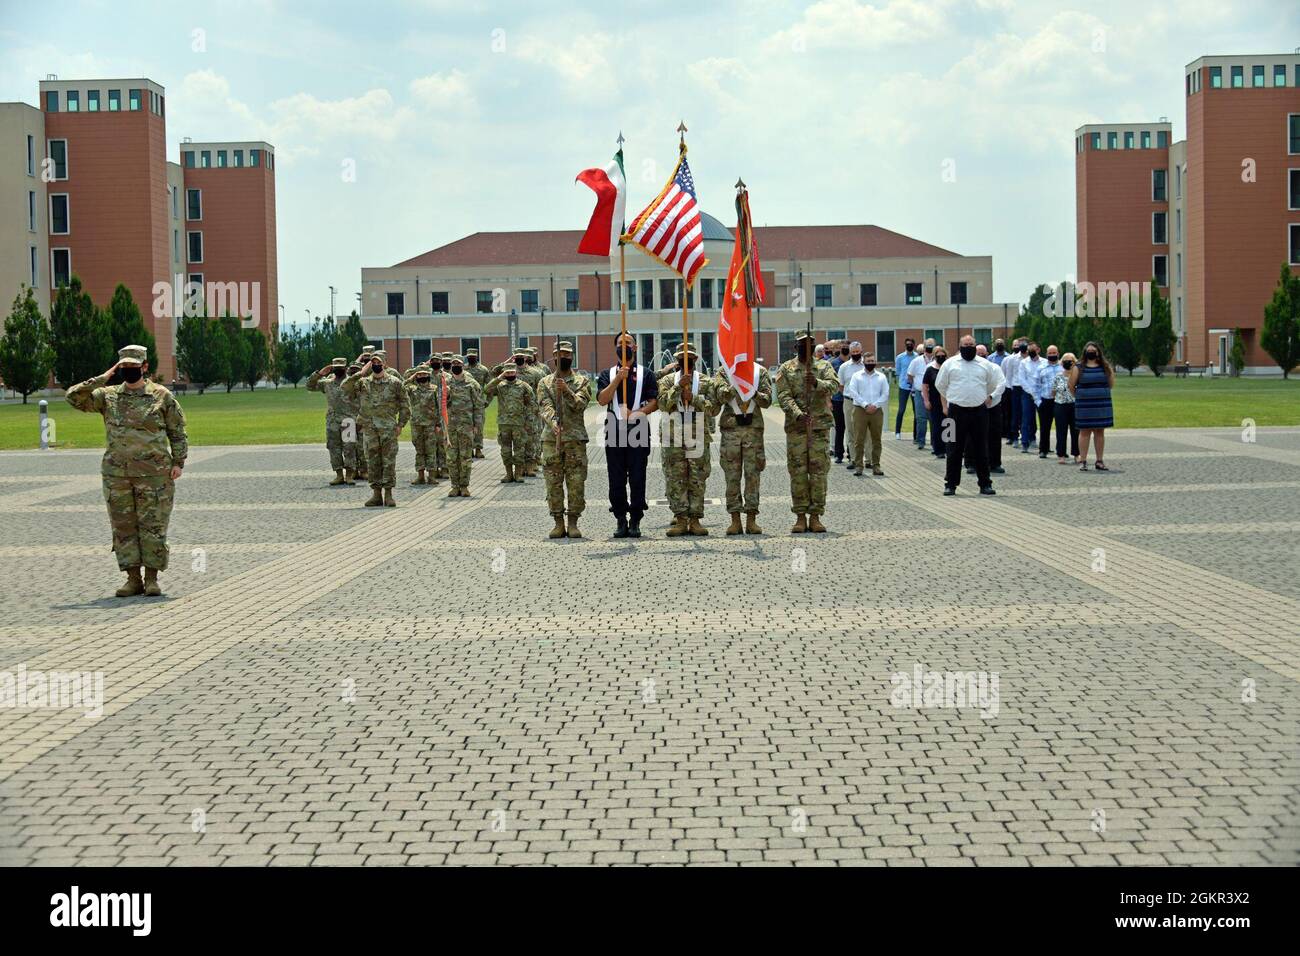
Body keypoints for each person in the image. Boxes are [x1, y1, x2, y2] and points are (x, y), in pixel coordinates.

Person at [66, 344, 188, 597]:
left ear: (145, 367)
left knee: (153, 525)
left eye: (134, 367)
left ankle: (152, 579)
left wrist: (178, 462)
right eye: (125, 368)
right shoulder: (107, 396)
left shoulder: (161, 396)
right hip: (117, 474)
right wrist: (101, 378)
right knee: (123, 528)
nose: (129, 371)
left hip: (155, 474)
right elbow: (73, 397)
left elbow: (177, 431)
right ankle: (133, 579)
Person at [777, 330, 840, 533]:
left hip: (819, 428)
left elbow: (834, 386)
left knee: (819, 472)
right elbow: (784, 396)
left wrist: (816, 382)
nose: (808, 349)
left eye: (811, 345)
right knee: (798, 472)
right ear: (796, 348)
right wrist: (797, 414)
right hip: (797, 429)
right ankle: (800, 516)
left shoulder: (823, 366)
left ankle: (816, 515)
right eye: (803, 345)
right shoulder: (787, 368)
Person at [597, 332, 659, 538]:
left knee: (637, 476)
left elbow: (654, 401)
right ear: (614, 347)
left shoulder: (646, 373)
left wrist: (638, 413)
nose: (624, 346)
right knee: (616, 477)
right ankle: (620, 518)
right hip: (614, 428)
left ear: (636, 347)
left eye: (628, 343)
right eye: (620, 343)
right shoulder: (607, 374)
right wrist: (617, 380)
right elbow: (602, 399)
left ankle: (636, 519)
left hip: (638, 428)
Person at [935, 335, 1004, 497]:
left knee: (981, 448)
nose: (969, 347)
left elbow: (997, 383)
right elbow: (940, 385)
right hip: (955, 413)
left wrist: (990, 397)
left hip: (979, 412)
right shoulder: (949, 363)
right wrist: (952, 400)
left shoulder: (985, 365)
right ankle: (950, 484)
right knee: (952, 448)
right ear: (960, 346)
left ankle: (985, 484)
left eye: (971, 344)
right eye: (965, 344)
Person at [659, 343, 716, 536]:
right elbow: (662, 404)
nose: (686, 361)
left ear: (695, 360)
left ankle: (695, 519)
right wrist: (677, 387)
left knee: (697, 477)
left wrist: (693, 398)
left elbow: (713, 408)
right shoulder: (668, 380)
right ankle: (680, 519)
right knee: (675, 478)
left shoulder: (705, 381)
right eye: (682, 358)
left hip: (697, 431)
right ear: (676, 360)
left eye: (689, 358)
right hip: (672, 433)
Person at [537, 341, 593, 538]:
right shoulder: (544, 383)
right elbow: (544, 405)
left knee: (576, 482)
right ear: (554, 358)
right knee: (553, 483)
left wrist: (566, 391)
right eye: (560, 355)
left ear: (573, 357)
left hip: (575, 441)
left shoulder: (582, 381)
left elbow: (580, 405)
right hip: (552, 440)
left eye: (568, 355)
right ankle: (558, 522)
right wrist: (554, 423)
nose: (564, 358)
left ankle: (573, 522)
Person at [342, 350, 410, 507]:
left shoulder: (395, 383)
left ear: (385, 364)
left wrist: (401, 424)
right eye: (373, 363)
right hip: (370, 429)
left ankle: (389, 494)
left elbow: (405, 405)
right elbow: (345, 387)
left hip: (388, 429)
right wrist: (360, 373)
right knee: (372, 462)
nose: (377, 365)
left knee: (388, 462)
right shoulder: (363, 383)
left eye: (379, 362)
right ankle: (376, 494)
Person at [714, 357, 773, 535]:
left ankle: (751, 519)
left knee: (752, 475)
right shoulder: (724, 371)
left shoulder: (759, 372)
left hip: (753, 430)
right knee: (732, 477)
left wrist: (752, 391)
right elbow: (720, 396)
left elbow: (768, 400)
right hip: (731, 431)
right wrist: (737, 383)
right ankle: (735, 520)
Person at [306, 357, 358, 485]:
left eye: (340, 368)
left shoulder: (352, 382)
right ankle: (339, 475)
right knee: (334, 448)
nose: (338, 370)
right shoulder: (327, 383)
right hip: (332, 421)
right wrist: (318, 374)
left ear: (345, 368)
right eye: (336, 368)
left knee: (349, 448)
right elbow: (309, 386)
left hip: (348, 420)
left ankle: (350, 475)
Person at [484, 359, 536, 482]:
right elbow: (486, 389)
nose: (510, 375)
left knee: (519, 450)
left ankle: (517, 474)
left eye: (512, 372)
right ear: (504, 374)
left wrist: (529, 421)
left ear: (516, 372)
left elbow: (531, 403)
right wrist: (499, 378)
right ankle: (508, 474)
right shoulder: (500, 386)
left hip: (519, 423)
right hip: (504, 424)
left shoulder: (524, 386)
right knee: (505, 451)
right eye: (507, 373)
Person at [1070, 340, 1115, 471]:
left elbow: (1111, 384)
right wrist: (1080, 397)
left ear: (1098, 353)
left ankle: (1099, 461)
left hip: (1101, 404)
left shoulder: (1105, 367)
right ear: (1085, 353)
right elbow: (1071, 386)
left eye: (1093, 351)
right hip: (1084, 405)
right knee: (1084, 432)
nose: (1091, 353)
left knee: (1100, 432)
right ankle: (1083, 461)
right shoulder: (1078, 367)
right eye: (1089, 351)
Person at [442, 355, 482, 497]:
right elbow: (441, 405)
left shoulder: (472, 384)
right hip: (451, 426)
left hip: (466, 426)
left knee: (465, 458)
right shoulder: (445, 383)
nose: (456, 366)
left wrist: (477, 425)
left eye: (458, 363)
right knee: (452, 458)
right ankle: (454, 486)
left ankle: (464, 486)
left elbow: (478, 406)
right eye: (453, 364)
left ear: (463, 365)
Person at [845, 351, 888, 477]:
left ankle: (876, 465)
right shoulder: (857, 376)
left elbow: (885, 393)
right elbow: (853, 392)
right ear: (863, 362)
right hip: (860, 410)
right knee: (859, 439)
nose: (871, 363)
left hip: (876, 410)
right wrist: (865, 405)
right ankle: (859, 466)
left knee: (876, 439)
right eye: (868, 361)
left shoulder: (881, 377)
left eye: (872, 361)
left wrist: (875, 405)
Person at [965, 345, 1005, 475]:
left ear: (988, 354)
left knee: (994, 435)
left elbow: (1001, 384)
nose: (981, 355)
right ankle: (971, 463)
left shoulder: (995, 368)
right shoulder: (968, 369)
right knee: (972, 435)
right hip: (974, 406)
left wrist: (991, 396)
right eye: (978, 353)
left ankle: (995, 463)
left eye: (983, 353)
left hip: (993, 405)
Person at [404, 364, 443, 486]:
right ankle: (420, 476)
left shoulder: (435, 389)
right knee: (419, 450)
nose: (422, 376)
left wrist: (438, 424)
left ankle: (431, 476)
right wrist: (412, 377)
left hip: (430, 424)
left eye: (424, 374)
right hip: (416, 424)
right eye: (419, 375)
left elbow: (439, 407)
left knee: (431, 450)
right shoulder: (412, 389)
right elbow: (400, 387)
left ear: (428, 375)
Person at [1029, 344, 1061, 458]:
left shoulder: (1062, 367)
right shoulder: (1041, 367)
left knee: (1061, 427)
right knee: (1044, 427)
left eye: (1054, 353)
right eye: (1050, 353)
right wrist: (1038, 402)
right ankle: (1043, 450)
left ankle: (1061, 450)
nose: (1052, 355)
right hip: (1045, 401)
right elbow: (1035, 386)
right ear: (1046, 354)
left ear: (1058, 353)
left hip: (1060, 401)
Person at [837, 342, 864, 468]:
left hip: (864, 402)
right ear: (850, 352)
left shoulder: (866, 365)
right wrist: (849, 396)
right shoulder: (844, 367)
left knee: (866, 432)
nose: (856, 354)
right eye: (853, 352)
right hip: (849, 401)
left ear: (861, 351)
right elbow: (840, 386)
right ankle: (853, 459)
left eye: (858, 352)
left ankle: (868, 459)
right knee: (850, 431)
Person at [1017, 342, 1046, 453]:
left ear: (1038, 350)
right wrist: (1032, 392)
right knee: (1026, 419)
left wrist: (1039, 393)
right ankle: (1025, 443)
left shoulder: (1044, 362)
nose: (1031, 352)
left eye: (1033, 350)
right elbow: (1022, 379)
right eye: (1029, 350)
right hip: (1027, 394)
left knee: (1044, 419)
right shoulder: (1023, 363)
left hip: (1042, 394)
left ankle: (1044, 446)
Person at [1053, 352, 1081, 464]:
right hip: (1060, 406)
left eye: (1070, 361)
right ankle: (1061, 454)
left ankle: (1077, 454)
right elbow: (1053, 392)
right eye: (1065, 360)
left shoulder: (1079, 376)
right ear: (1061, 362)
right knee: (1061, 431)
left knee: (1076, 431)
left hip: (1074, 406)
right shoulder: (1058, 376)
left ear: (1075, 363)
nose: (1067, 363)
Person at [464, 348, 490, 458]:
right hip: (465, 402)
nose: (471, 358)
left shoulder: (483, 370)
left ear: (477, 357)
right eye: (469, 357)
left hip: (479, 402)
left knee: (478, 426)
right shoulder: (463, 369)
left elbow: (490, 387)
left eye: (473, 357)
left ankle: (478, 449)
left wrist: (487, 401)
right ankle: (469, 449)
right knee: (467, 426)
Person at [907, 340, 934, 448]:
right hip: (919, 392)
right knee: (921, 417)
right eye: (928, 346)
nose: (929, 348)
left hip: (933, 393)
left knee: (933, 418)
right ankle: (921, 441)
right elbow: (910, 375)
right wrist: (917, 385)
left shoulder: (937, 359)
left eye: (931, 346)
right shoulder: (916, 361)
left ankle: (934, 442)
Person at [922, 347, 947, 458]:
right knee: (937, 425)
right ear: (934, 357)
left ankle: (949, 447)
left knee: (948, 424)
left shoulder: (948, 368)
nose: (940, 358)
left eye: (943, 356)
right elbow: (924, 386)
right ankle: (938, 449)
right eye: (938, 356)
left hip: (948, 401)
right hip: (935, 401)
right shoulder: (930, 369)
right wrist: (926, 400)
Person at [1002, 339, 1026, 445]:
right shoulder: (1010, 359)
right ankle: (1013, 436)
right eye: (1015, 345)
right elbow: (1007, 374)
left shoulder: (1029, 358)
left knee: (1025, 414)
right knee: (1013, 414)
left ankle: (1028, 436)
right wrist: (1010, 388)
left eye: (1019, 345)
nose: (1017, 346)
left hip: (1026, 389)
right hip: (1013, 388)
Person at [893, 338, 917, 441]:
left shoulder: (917, 357)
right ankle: (897, 432)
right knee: (901, 409)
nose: (909, 346)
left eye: (911, 344)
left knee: (916, 411)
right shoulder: (900, 357)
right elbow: (898, 371)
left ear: (914, 345)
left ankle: (916, 434)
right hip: (903, 386)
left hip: (915, 387)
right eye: (907, 344)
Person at [829, 341, 848, 463]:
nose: (844, 349)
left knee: (852, 429)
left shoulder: (855, 364)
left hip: (852, 400)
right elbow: (829, 382)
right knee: (839, 428)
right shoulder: (833, 364)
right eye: (842, 348)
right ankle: (838, 453)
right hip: (837, 399)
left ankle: (852, 453)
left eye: (846, 347)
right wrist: (828, 401)